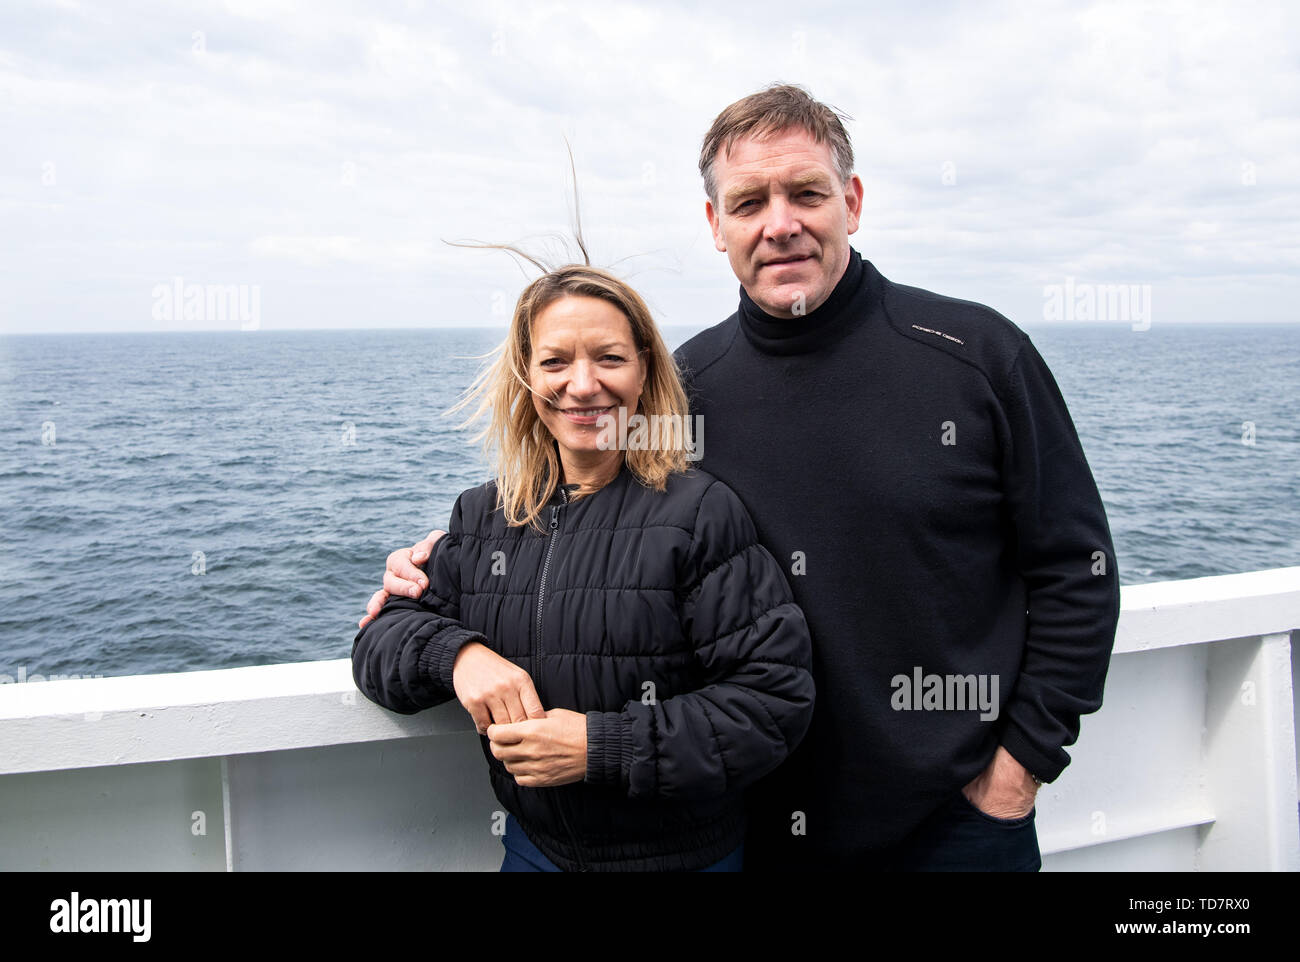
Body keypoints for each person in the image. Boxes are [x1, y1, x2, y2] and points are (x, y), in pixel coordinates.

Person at [364, 84, 1120, 871]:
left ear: (851, 202)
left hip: (954, 822)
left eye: (806, 193)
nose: (780, 223)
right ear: (715, 226)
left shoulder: (976, 355)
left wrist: (1018, 769)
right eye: (749, 201)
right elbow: (600, 521)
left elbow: (1076, 570)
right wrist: (452, 562)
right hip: (758, 824)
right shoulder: (686, 391)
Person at [351, 257, 815, 872]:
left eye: (610, 358)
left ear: (645, 371)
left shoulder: (699, 515)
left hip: (681, 859)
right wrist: (459, 656)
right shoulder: (487, 515)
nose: (583, 384)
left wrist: (601, 748)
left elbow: (771, 703)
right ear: (525, 376)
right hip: (535, 850)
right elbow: (378, 648)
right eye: (555, 361)